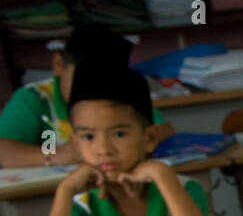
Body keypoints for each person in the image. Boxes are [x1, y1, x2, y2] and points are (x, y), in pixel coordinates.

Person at [37, 62, 231, 216]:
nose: (104, 150)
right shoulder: (82, 206)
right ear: (76, 144)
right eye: (88, 137)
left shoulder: (182, 188)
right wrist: (64, 191)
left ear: (149, 138)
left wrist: (162, 175)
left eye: (119, 134)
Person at [0, 23, 174, 168]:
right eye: (83, 77)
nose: (95, 87)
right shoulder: (34, 98)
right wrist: (53, 155)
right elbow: (4, 151)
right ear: (59, 64)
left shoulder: (121, 96)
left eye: (107, 79)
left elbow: (162, 129)